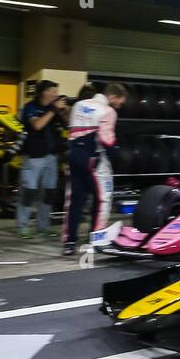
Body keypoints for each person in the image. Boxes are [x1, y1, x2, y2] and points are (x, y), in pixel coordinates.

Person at [63, 82, 126, 256]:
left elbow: (71, 130)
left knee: (75, 201)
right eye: (120, 101)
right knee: (102, 199)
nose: (120, 105)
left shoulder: (78, 105)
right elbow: (107, 140)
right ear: (112, 97)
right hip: (93, 161)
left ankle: (70, 243)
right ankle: (96, 239)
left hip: (74, 157)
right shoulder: (108, 111)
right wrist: (119, 157)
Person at [17, 80, 68, 239]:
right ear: (44, 92)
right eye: (53, 91)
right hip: (33, 158)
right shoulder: (30, 107)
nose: (55, 94)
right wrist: (53, 110)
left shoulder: (54, 111)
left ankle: (43, 226)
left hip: (51, 157)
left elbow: (67, 126)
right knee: (29, 192)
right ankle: (23, 227)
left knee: (48, 193)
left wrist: (64, 111)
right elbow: (37, 125)